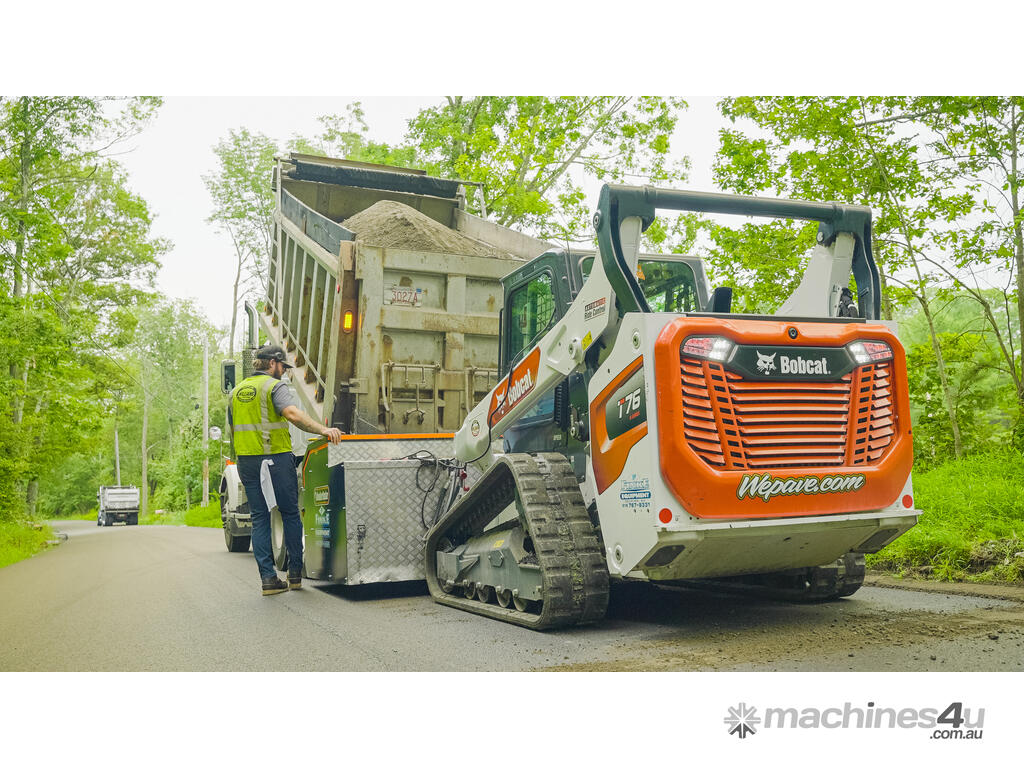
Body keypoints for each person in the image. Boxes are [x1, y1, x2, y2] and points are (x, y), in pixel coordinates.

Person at [228, 344, 343, 595]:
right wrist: (323, 430)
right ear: (272, 363)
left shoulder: (236, 392)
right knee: (290, 513)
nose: (283, 372)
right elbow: (291, 414)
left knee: (260, 518)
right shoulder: (274, 386)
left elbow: (232, 429)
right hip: (275, 460)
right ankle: (294, 575)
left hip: (247, 461)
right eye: (282, 366)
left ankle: (268, 579)